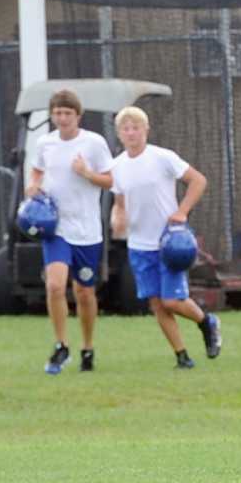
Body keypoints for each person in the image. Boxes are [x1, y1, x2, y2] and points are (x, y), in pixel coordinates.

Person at [106, 105, 220, 369]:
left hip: (170, 243)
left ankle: (207, 322)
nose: (131, 133)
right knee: (157, 304)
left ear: (146, 130)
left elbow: (198, 181)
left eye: (136, 127)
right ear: (119, 134)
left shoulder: (162, 157)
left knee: (172, 300)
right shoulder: (117, 167)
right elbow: (120, 203)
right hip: (139, 245)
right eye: (126, 129)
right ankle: (182, 356)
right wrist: (118, 218)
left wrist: (182, 211)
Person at [27, 88, 114, 375]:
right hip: (56, 228)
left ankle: (87, 347)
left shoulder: (94, 143)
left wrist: (87, 173)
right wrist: (34, 186)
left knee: (85, 292)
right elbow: (37, 171)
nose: (62, 118)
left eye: (67, 113)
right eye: (57, 113)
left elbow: (110, 180)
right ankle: (61, 345)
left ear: (78, 115)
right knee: (54, 285)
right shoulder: (45, 143)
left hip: (87, 230)